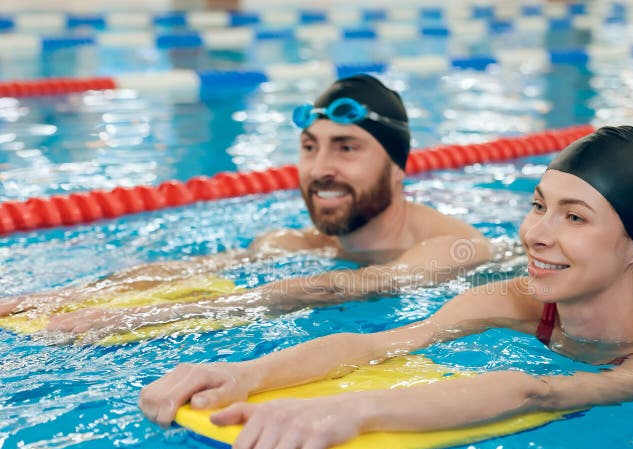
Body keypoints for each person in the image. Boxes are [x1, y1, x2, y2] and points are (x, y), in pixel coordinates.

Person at [139, 126, 633, 449]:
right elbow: (378, 343)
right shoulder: (517, 299)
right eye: (538, 205)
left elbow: (544, 391)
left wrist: (357, 410)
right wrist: (245, 373)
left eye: (574, 217)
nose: (537, 233)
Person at [0, 74, 491, 338]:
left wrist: (147, 318)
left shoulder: (454, 247)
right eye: (309, 147)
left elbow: (351, 284)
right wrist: (59, 297)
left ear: (397, 167)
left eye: (347, 147)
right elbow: (189, 267)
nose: (321, 168)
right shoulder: (295, 242)